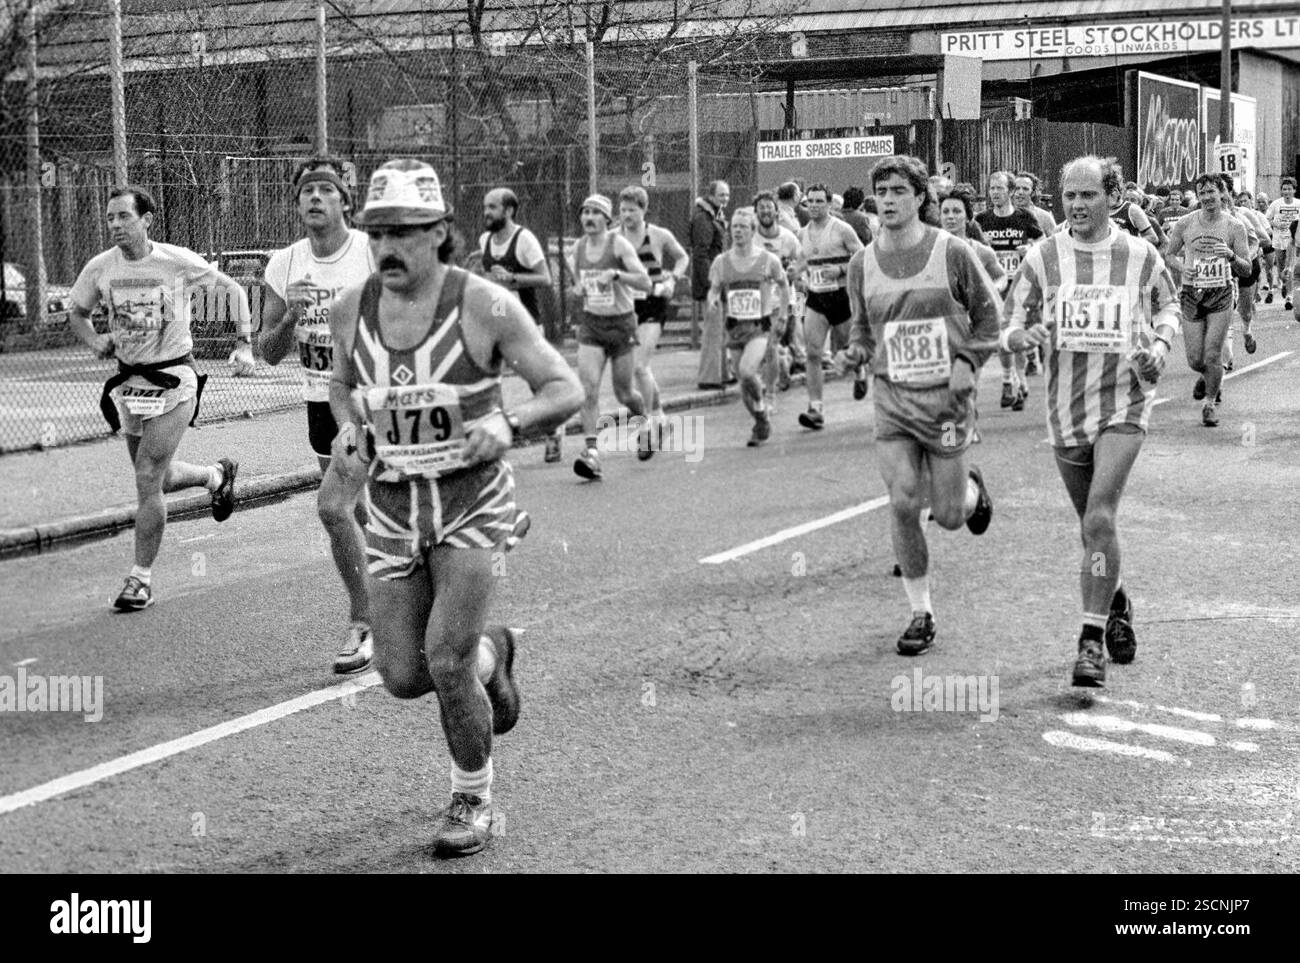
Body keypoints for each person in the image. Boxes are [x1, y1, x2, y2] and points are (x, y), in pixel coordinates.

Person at [328, 159, 583, 856]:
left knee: (444, 658)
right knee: (402, 674)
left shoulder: (485, 305)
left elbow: (564, 388)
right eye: (378, 230)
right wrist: (352, 423)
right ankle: (494, 655)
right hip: (390, 508)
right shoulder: (349, 307)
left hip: (472, 505)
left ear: (440, 232)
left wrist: (506, 427)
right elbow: (341, 382)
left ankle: (471, 793)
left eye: (406, 231)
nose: (389, 246)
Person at [1003, 155, 1179, 687]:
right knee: (1091, 527)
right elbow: (1010, 324)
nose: (1077, 206)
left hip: (1125, 401)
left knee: (1100, 517)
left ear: (1113, 196)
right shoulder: (1042, 257)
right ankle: (1117, 598)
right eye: (1070, 196)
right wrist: (1022, 339)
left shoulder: (1140, 254)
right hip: (1064, 408)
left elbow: (1169, 306)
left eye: (1088, 195)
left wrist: (1161, 348)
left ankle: (1089, 640)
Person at [836, 155, 999, 655]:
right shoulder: (861, 263)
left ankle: (971, 493)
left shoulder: (952, 252)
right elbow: (864, 332)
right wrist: (855, 354)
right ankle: (920, 613)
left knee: (948, 515)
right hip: (894, 403)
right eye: (881, 191)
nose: (888, 200)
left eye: (898, 191)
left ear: (921, 198)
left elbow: (990, 319)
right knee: (904, 501)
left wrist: (967, 364)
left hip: (948, 405)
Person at [66, 186, 249, 610]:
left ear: (146, 219)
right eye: (110, 218)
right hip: (131, 385)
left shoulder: (175, 261)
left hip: (174, 378)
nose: (115, 225)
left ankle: (140, 580)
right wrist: (95, 340)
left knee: (147, 475)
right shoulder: (101, 268)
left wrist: (243, 343)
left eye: (124, 217)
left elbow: (234, 292)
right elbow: (77, 313)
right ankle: (215, 477)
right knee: (159, 478)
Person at [259, 157, 377, 673]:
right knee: (361, 515)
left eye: (326, 190)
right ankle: (400, 603)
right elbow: (266, 351)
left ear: (345, 201)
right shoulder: (283, 264)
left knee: (333, 508)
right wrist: (290, 315)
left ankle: (364, 624)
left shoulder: (371, 254)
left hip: (371, 400)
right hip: (318, 399)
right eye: (306, 191)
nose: (314, 198)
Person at [568, 194, 654, 479]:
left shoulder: (619, 244)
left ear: (607, 219)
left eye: (595, 213)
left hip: (621, 325)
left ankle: (645, 423)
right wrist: (579, 288)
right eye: (585, 212)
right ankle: (592, 453)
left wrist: (616, 275)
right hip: (592, 325)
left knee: (624, 392)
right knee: (588, 388)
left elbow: (645, 281)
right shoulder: (577, 249)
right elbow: (579, 283)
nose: (589, 218)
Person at [477, 187, 564, 463]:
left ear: (509, 210)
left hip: (525, 323)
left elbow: (545, 278)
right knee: (488, 379)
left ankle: (554, 431)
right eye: (485, 207)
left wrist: (512, 279)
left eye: (492, 207)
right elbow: (491, 280)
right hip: (496, 322)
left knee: (537, 384)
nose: (486, 213)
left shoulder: (524, 240)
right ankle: (498, 440)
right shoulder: (485, 241)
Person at [1164, 172, 1250, 427]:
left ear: (1222, 194)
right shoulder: (1185, 223)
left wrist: (1231, 256)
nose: (1207, 197)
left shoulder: (1235, 226)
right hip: (1192, 292)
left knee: (1213, 355)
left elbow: (1246, 269)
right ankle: (1209, 377)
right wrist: (1182, 269)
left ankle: (1209, 404)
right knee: (1195, 360)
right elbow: (1168, 255)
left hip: (1221, 292)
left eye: (1212, 192)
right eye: (1202, 193)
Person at [707, 208, 790, 446]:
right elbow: (714, 288)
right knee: (744, 385)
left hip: (759, 327)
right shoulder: (721, 262)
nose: (738, 231)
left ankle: (762, 406)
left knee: (746, 370)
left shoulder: (768, 260)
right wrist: (713, 298)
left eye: (743, 226)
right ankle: (760, 419)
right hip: (734, 327)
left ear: (752, 231)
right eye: (734, 226)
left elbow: (784, 286)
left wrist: (783, 315)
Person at [618, 186, 688, 448]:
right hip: (626, 306)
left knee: (640, 366)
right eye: (623, 210)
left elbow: (682, 258)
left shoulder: (657, 235)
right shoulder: (615, 238)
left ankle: (648, 423)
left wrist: (674, 277)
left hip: (654, 303)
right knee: (636, 370)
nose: (627, 215)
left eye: (632, 210)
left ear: (643, 210)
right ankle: (660, 418)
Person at [796, 183, 865, 428]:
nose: (814, 206)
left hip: (841, 295)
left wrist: (840, 269)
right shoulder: (802, 233)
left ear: (828, 204)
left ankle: (859, 372)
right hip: (816, 298)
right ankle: (815, 409)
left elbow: (862, 257)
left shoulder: (842, 230)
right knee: (813, 353)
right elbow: (803, 261)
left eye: (819, 201)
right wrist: (799, 276)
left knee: (849, 349)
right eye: (810, 201)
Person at [976, 170, 1043, 410]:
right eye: (992, 188)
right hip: (996, 287)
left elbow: (1042, 241)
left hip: (1020, 286)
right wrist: (983, 244)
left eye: (1000, 188)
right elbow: (972, 248)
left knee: (1016, 336)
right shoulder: (981, 220)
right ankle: (1008, 381)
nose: (995, 193)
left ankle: (1020, 379)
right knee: (1001, 335)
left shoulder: (1024, 217)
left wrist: (1031, 248)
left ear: (1011, 191)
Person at [754, 190, 802, 397]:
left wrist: (795, 271)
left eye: (769, 207)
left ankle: (769, 389)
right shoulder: (750, 237)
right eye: (761, 207)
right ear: (756, 212)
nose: (765, 211)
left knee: (770, 343)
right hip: (756, 301)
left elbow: (802, 260)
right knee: (762, 344)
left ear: (776, 211)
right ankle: (784, 360)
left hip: (781, 301)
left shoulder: (788, 238)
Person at [689, 180, 730, 389]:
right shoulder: (703, 218)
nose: (725, 199)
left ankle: (723, 373)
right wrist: (710, 284)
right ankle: (709, 377)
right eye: (721, 195)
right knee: (713, 330)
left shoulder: (714, 215)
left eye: (727, 195)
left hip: (719, 279)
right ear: (711, 195)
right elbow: (701, 253)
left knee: (721, 328)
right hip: (710, 282)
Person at [939, 188, 1008, 294]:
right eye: (945, 212)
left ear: (968, 217)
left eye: (957, 211)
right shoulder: (930, 251)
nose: (950, 217)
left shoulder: (982, 252)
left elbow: (1000, 277)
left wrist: (994, 289)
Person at [1264, 177, 1299, 309]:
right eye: (1284, 189)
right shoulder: (1276, 204)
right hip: (1279, 240)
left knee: (1290, 267)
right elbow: (1266, 219)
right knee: (1280, 270)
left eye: (1289, 189)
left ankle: (1289, 297)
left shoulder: (1298, 204)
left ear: (1294, 190)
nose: (1287, 191)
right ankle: (1284, 284)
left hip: (1293, 241)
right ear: (1281, 191)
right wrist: (1275, 224)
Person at [1012, 171, 1058, 237]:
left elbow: (1055, 243)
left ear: (1033, 192)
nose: (1020, 192)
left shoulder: (1044, 217)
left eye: (1025, 189)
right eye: (1017, 188)